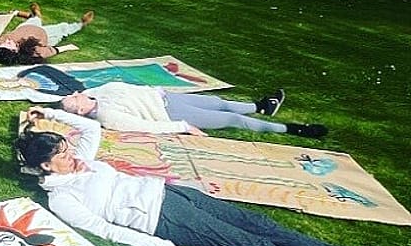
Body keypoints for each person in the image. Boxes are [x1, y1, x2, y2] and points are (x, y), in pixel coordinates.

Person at [14, 108, 411, 246]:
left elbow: (92, 129)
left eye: (67, 148)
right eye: (63, 155)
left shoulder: (79, 158)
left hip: (175, 193)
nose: (73, 156)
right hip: (166, 220)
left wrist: (49, 115)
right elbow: (107, 232)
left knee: (262, 224)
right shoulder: (62, 198)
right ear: (47, 167)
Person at [60, 85, 329, 139]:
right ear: (81, 111)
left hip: (167, 97)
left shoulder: (98, 90)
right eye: (73, 100)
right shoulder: (107, 116)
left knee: (221, 102)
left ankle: (262, 107)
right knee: (231, 120)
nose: (75, 95)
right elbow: (147, 127)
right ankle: (295, 129)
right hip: (169, 114)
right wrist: (183, 127)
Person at [0, 2, 94, 66]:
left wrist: (0, 44)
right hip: (46, 34)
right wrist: (67, 47)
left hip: (26, 27)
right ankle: (81, 24)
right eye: (9, 44)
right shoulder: (32, 50)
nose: (7, 40)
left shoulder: (0, 43)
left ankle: (35, 14)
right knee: (63, 28)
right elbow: (48, 52)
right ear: (15, 50)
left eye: (4, 43)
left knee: (36, 19)